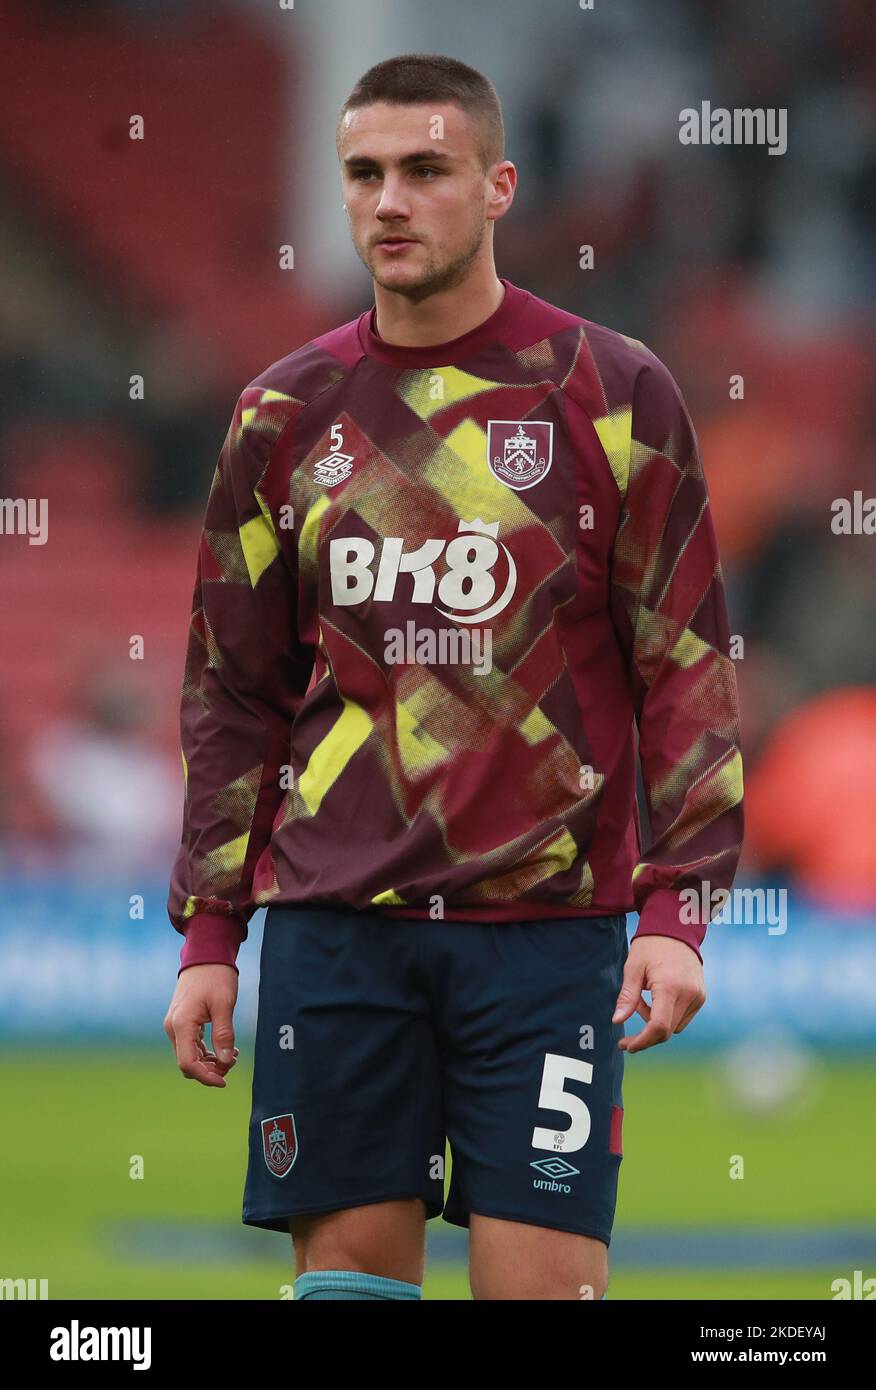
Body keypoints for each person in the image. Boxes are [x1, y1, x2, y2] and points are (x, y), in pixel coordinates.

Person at [163, 53, 744, 1302]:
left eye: (425, 171)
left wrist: (677, 910)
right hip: (337, 935)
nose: (388, 201)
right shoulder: (282, 414)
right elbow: (233, 695)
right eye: (364, 174)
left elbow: (685, 668)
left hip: (545, 941)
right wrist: (211, 929)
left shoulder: (613, 393)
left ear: (496, 187)